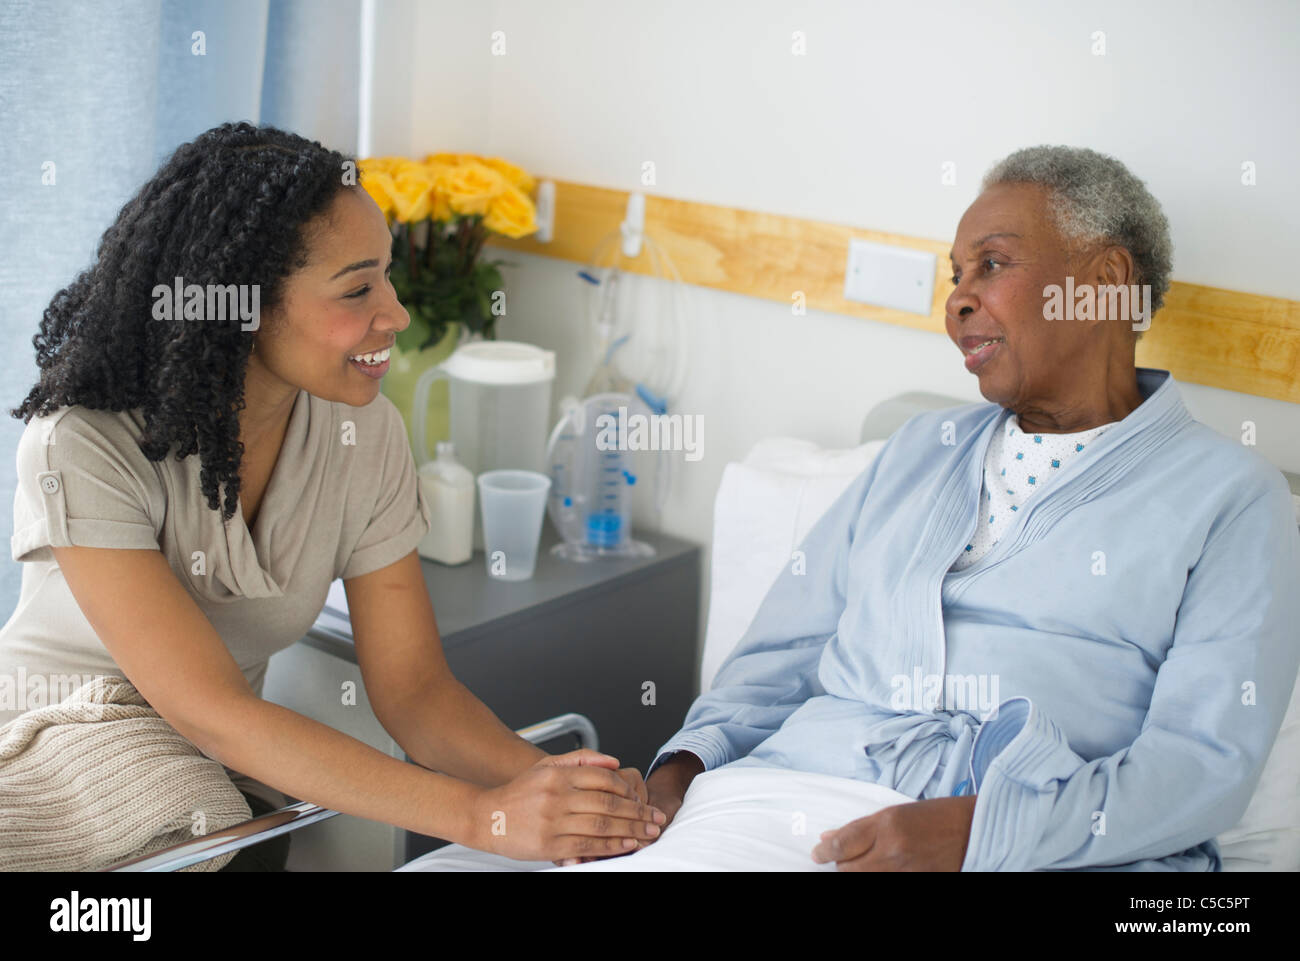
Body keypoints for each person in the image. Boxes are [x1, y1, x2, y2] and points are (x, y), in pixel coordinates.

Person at [401, 145, 1300, 872]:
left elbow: (1200, 768)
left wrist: (978, 832)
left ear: (1104, 279)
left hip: (1025, 840)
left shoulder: (1231, 499)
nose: (957, 300)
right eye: (955, 274)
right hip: (782, 794)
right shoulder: (920, 453)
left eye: (992, 264)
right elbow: (780, 655)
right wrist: (680, 769)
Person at [0, 122, 664, 870]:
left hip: (212, 787)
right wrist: (483, 816)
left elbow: (415, 691)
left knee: (232, 815)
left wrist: (557, 789)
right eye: (357, 288)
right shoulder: (82, 443)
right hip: (57, 757)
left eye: (385, 274)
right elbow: (213, 710)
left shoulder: (364, 433)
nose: (397, 313)